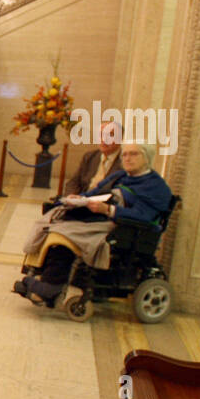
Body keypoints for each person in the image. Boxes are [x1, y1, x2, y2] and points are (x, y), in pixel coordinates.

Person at [16, 140, 172, 306]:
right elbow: (96, 192)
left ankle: (51, 288)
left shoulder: (156, 186)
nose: (127, 158)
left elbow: (143, 216)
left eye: (134, 154)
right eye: (125, 154)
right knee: (52, 223)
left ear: (147, 157)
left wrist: (108, 210)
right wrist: (81, 198)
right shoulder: (120, 176)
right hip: (100, 218)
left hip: (123, 227)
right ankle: (44, 274)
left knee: (64, 236)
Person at [63, 119, 123, 195]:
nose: (104, 139)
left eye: (110, 135)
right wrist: (71, 196)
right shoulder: (90, 156)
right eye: (101, 135)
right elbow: (73, 182)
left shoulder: (125, 160)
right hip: (81, 201)